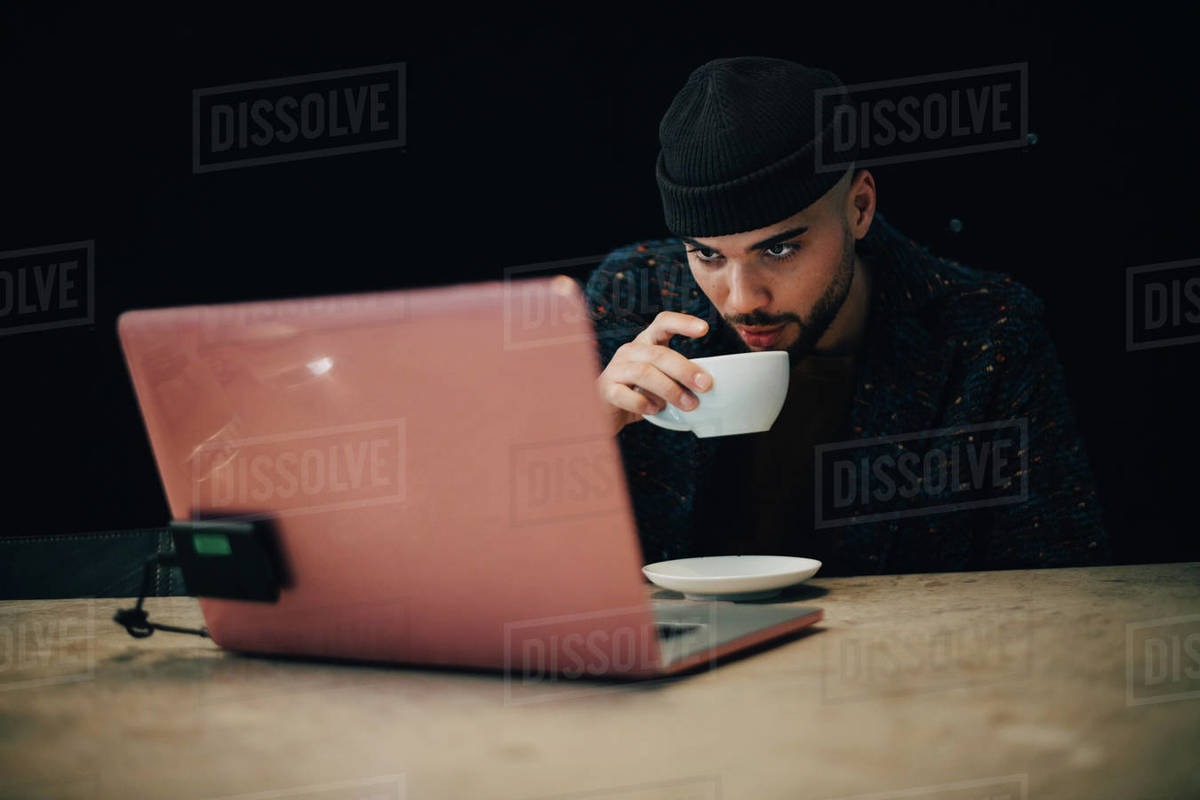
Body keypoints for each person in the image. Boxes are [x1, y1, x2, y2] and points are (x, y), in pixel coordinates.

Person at [586, 56, 1110, 575]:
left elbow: (1061, 579)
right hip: (682, 657)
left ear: (859, 208)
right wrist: (583, 432)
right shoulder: (633, 299)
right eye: (708, 255)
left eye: (779, 251)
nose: (742, 299)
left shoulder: (987, 335)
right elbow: (525, 579)